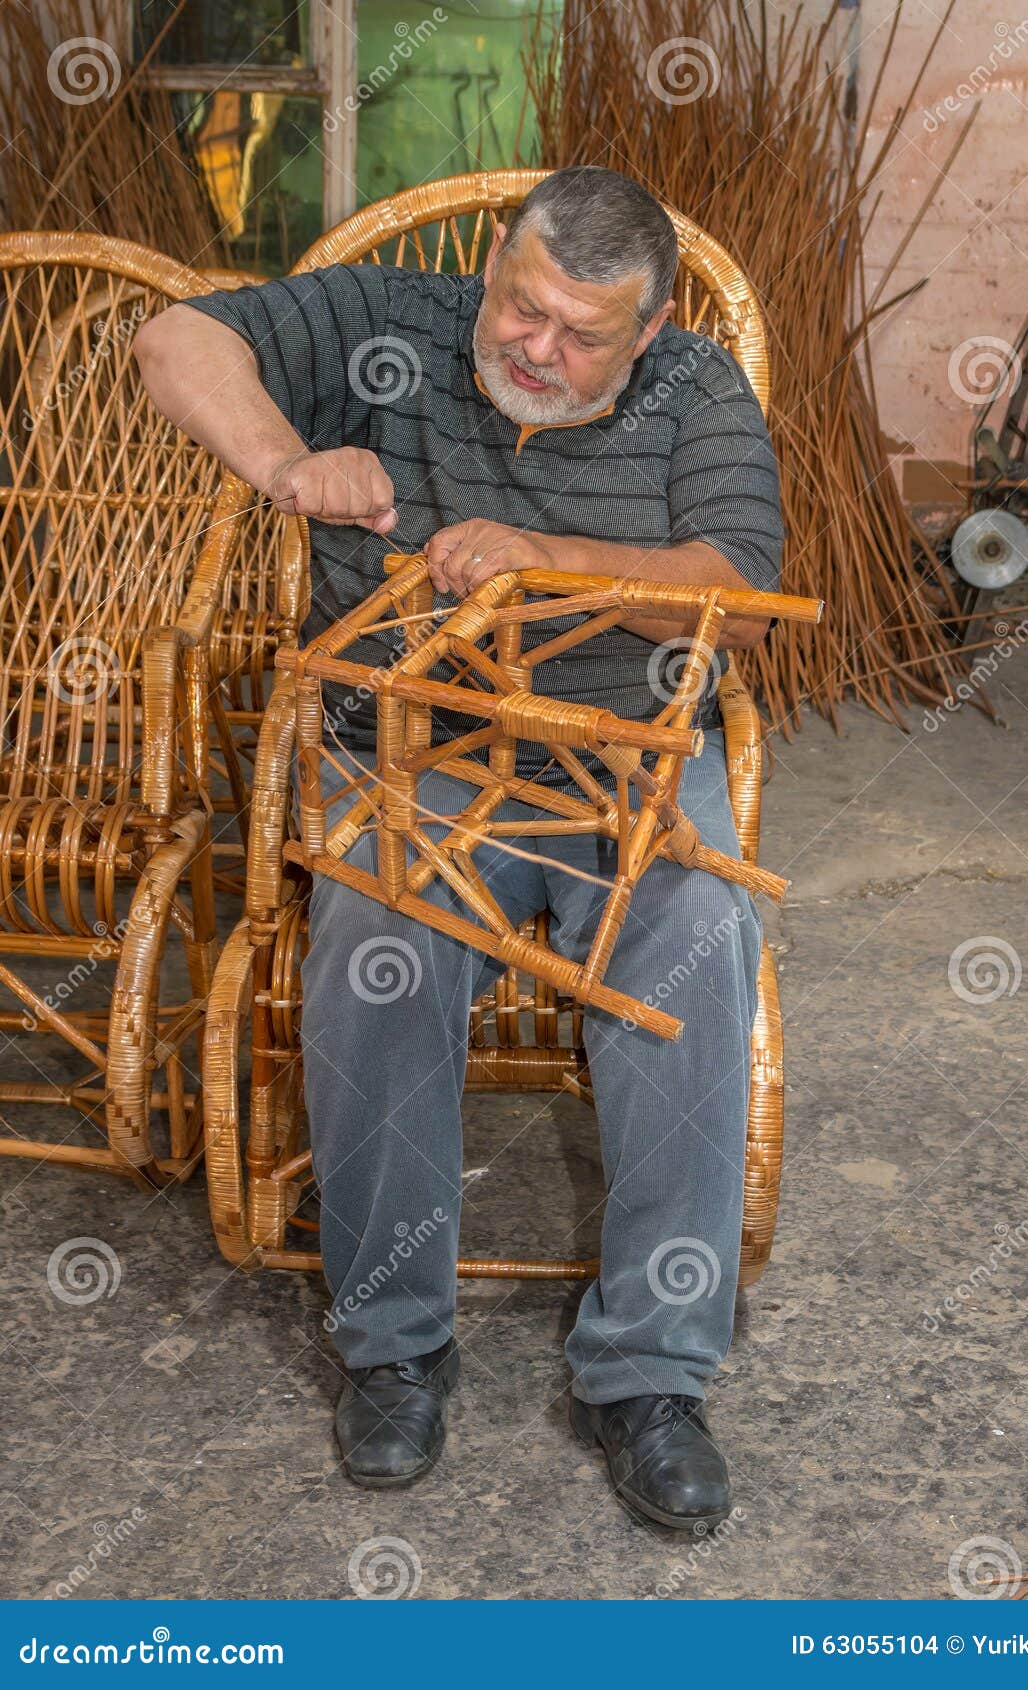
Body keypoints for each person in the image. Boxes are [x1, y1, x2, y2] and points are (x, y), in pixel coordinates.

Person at [134, 166, 783, 1530]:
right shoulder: (390, 321)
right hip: (413, 762)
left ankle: (648, 1374)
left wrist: (543, 553)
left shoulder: (697, 393)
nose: (534, 350)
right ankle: (393, 1345)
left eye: (581, 334)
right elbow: (173, 339)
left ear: (650, 330)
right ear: (495, 261)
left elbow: (743, 594)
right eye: (523, 308)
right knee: (374, 942)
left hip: (627, 767)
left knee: (699, 947)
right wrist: (286, 460)